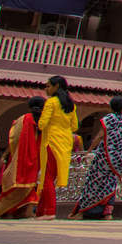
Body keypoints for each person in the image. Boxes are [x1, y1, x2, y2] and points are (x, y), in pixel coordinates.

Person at [72, 96, 122, 220]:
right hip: (120, 157)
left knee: (94, 182)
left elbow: (100, 136)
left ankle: (85, 211)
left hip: (105, 156)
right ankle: (107, 213)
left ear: (111, 106)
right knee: (111, 183)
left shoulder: (109, 119)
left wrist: (89, 151)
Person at [36, 76, 80, 219]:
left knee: (47, 177)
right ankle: (41, 211)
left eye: (48, 86)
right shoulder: (71, 105)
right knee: (50, 177)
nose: (46, 89)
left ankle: (49, 211)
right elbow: (74, 126)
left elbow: (42, 124)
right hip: (65, 142)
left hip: (52, 142)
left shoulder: (51, 102)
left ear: (56, 87)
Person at [0, 99, 44, 218]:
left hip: (18, 159)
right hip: (36, 159)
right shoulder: (44, 122)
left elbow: (14, 140)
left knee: (13, 182)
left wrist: (4, 155)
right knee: (30, 186)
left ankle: (8, 211)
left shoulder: (23, 119)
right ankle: (25, 212)